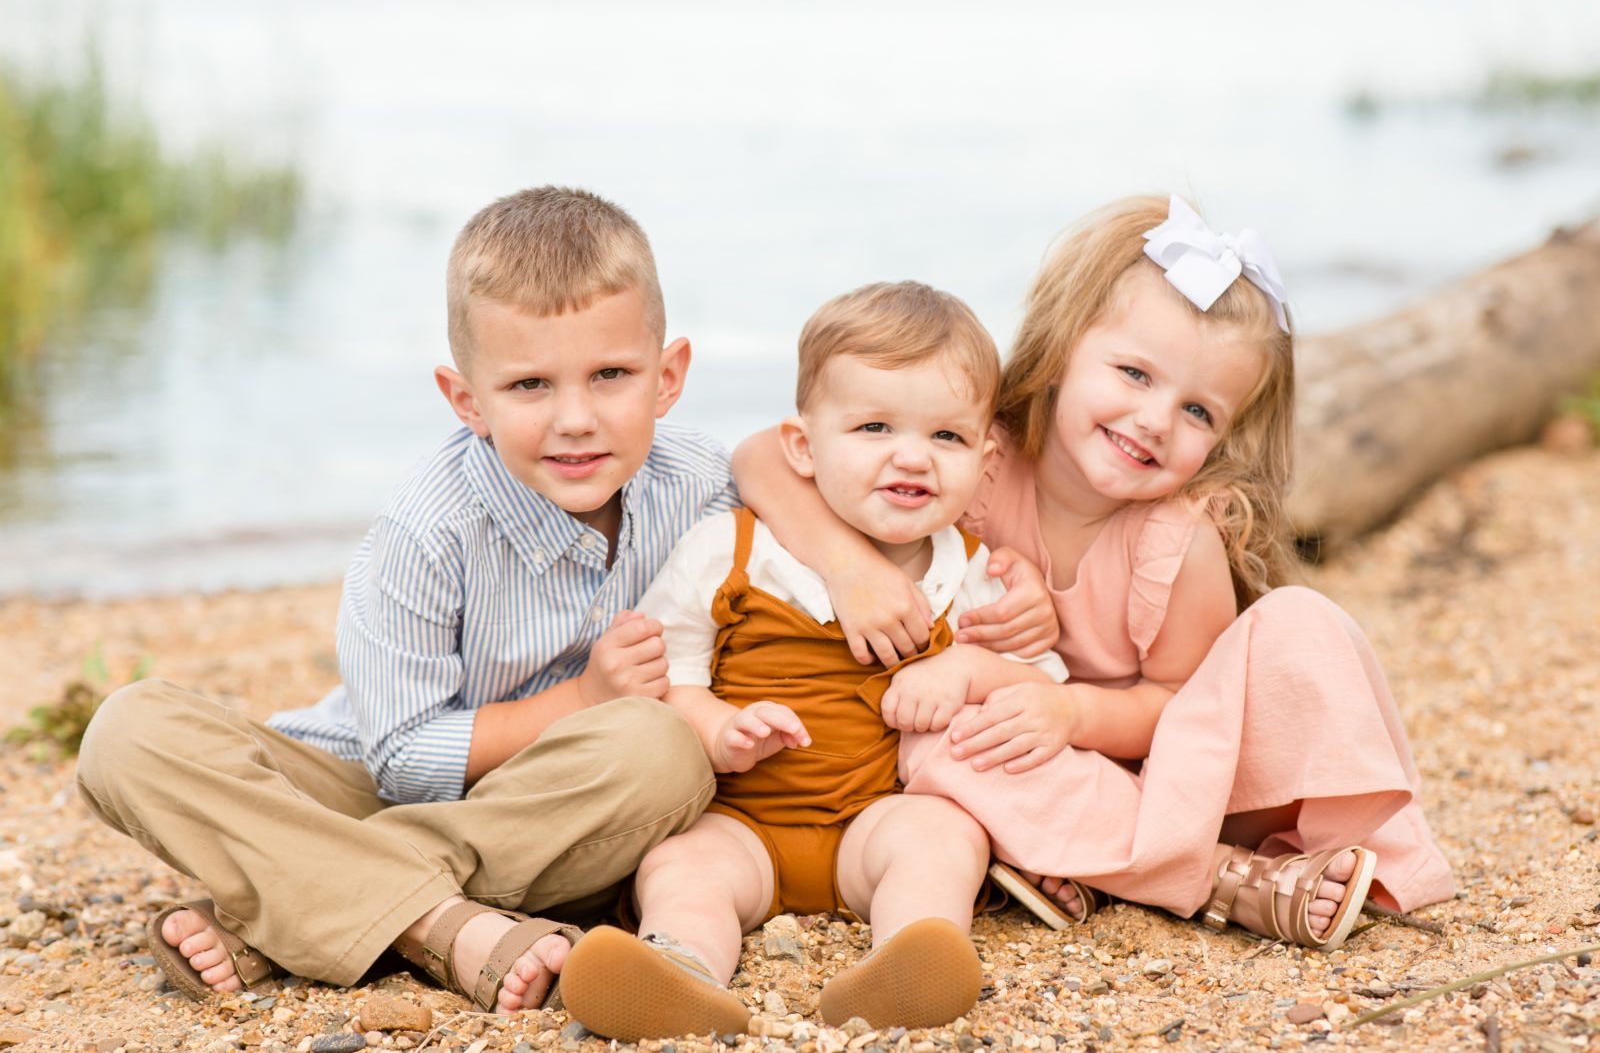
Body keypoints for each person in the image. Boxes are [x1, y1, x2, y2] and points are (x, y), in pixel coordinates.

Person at [75, 186, 739, 1014]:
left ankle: (296, 904)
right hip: (368, 781)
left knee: (663, 752)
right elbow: (402, 760)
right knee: (126, 734)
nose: (576, 418)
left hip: (544, 804)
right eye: (530, 385)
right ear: (467, 401)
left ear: (668, 376)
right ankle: (440, 924)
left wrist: (911, 536)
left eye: (611, 375)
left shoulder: (702, 480)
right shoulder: (426, 529)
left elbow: (800, 467)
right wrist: (582, 697)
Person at [733, 195, 1456, 951]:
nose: (1153, 420)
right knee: (942, 738)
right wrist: (851, 569)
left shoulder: (1178, 541)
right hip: (1048, 767)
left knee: (1305, 621)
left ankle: (1155, 864)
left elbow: (1178, 709)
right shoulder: (976, 461)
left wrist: (1069, 712)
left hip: (1171, 777)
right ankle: (1185, 872)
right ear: (1061, 351)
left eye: (1199, 412)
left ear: (1225, 436)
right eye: (1134, 373)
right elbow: (760, 456)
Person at [557, 281, 1069, 1040]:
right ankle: (679, 968)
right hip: (740, 822)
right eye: (873, 426)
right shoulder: (728, 549)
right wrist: (719, 725)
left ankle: (912, 955)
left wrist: (959, 672)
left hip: (872, 821)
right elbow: (666, 681)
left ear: (985, 458)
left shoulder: (970, 571)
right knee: (681, 867)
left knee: (942, 837)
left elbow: (1044, 689)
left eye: (947, 438)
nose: (911, 456)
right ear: (802, 445)